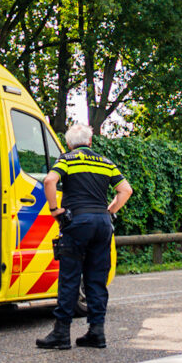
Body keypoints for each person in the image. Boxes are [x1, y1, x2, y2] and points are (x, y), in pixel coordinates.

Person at [36, 123, 132, 349]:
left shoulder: (68, 159)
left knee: (70, 277)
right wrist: (111, 211)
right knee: (97, 278)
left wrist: (54, 210)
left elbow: (50, 181)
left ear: (69, 144)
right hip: (102, 224)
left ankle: (61, 334)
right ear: (90, 142)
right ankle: (96, 332)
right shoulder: (107, 162)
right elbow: (125, 190)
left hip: (77, 222)